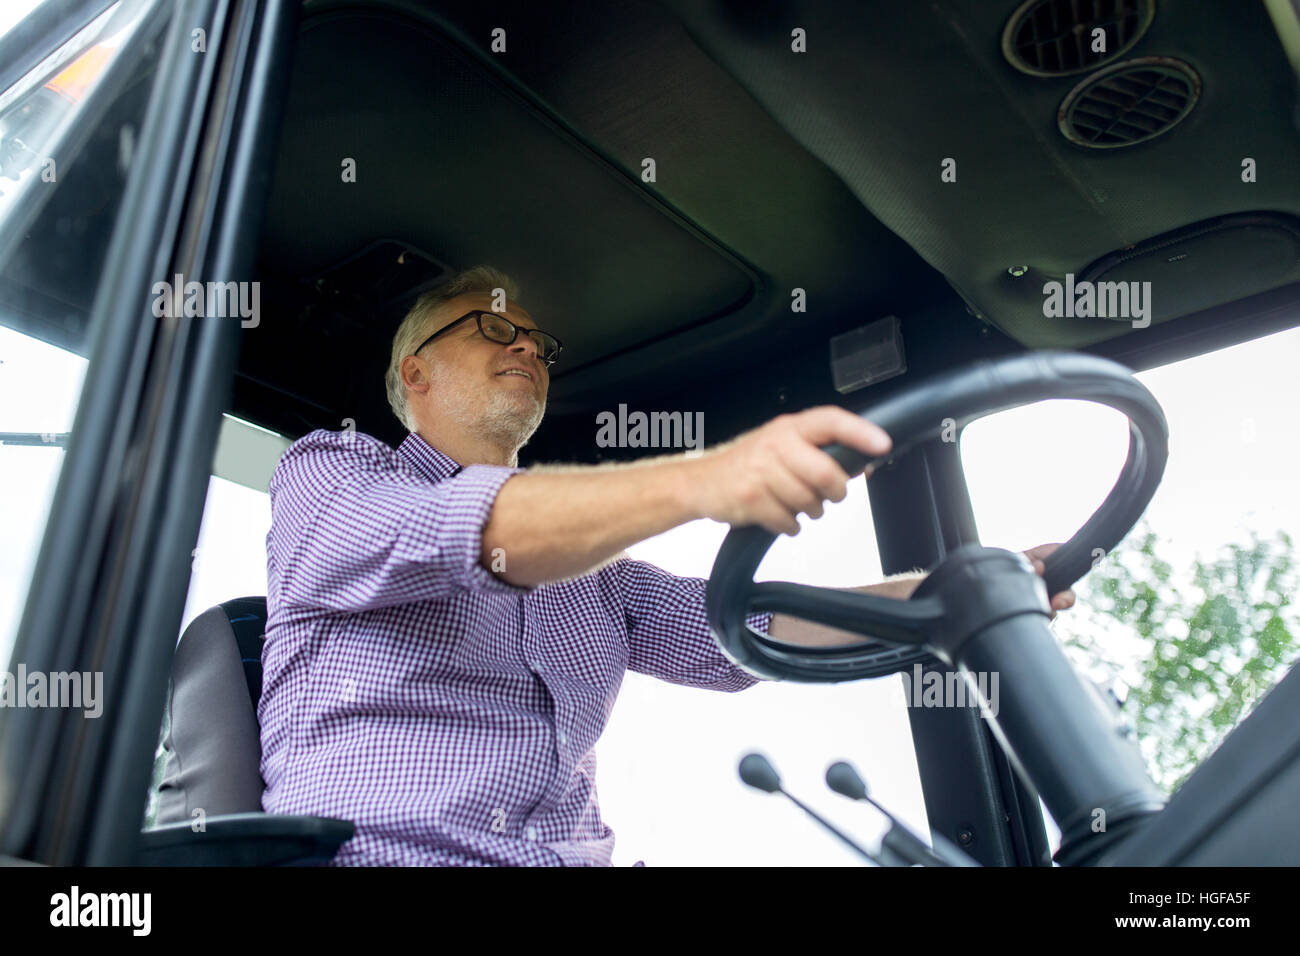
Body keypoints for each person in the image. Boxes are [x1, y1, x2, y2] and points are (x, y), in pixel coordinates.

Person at [257, 265, 1073, 866]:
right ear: (416, 372)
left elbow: (746, 628)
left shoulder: (595, 576)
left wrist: (949, 595)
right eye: (495, 328)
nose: (529, 346)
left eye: (539, 342)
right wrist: (707, 478)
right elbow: (457, 529)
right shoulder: (334, 474)